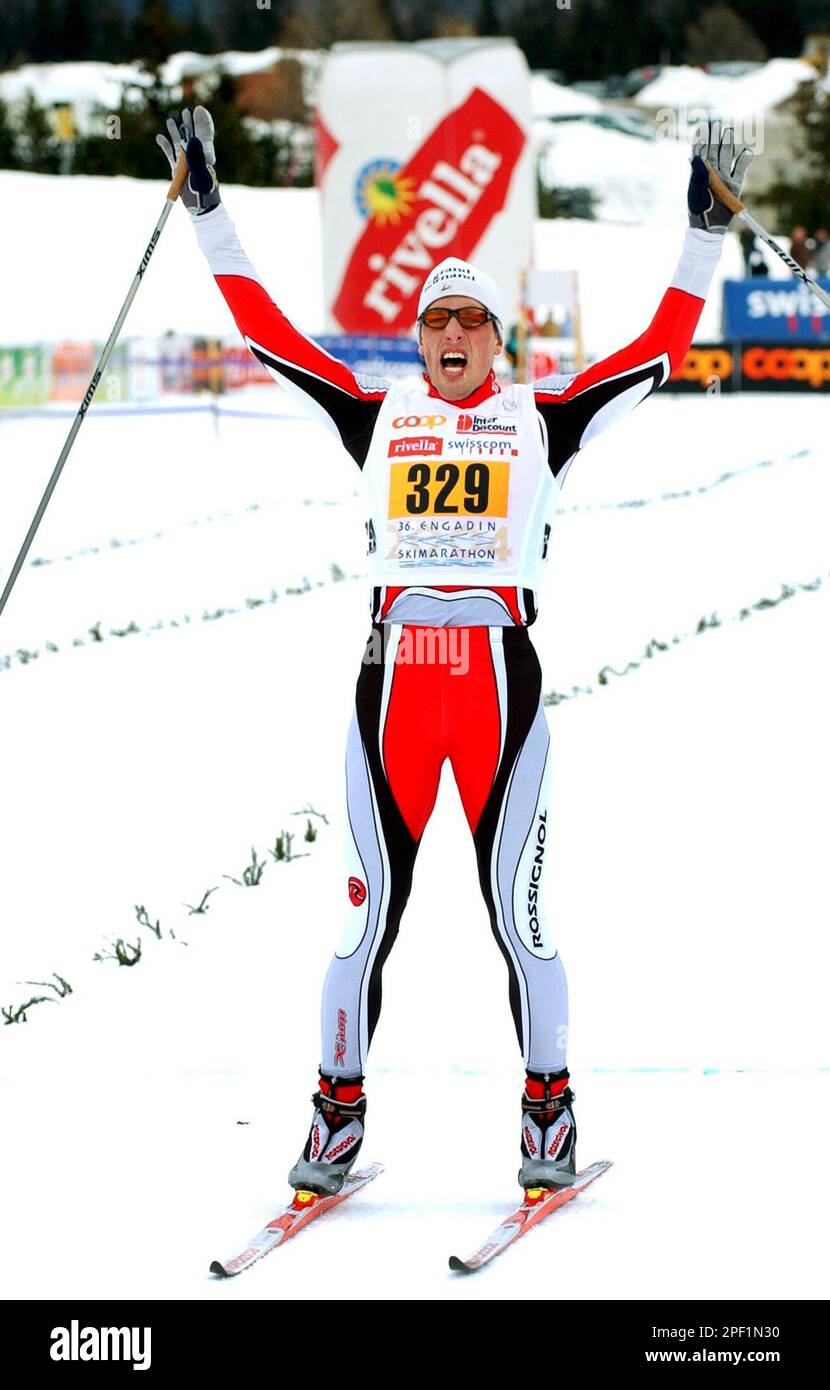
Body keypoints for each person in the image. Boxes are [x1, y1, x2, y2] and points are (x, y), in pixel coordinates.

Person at [157, 111, 753, 1196]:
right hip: (388, 688)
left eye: (471, 319)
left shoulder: (540, 420)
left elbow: (655, 355)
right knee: (360, 919)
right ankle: (334, 1120)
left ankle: (546, 1117)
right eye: (437, 318)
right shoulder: (378, 418)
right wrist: (207, 212)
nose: (452, 334)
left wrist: (700, 233)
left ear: (496, 338)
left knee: (518, 921)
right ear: (418, 333)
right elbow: (269, 337)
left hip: (497, 692)